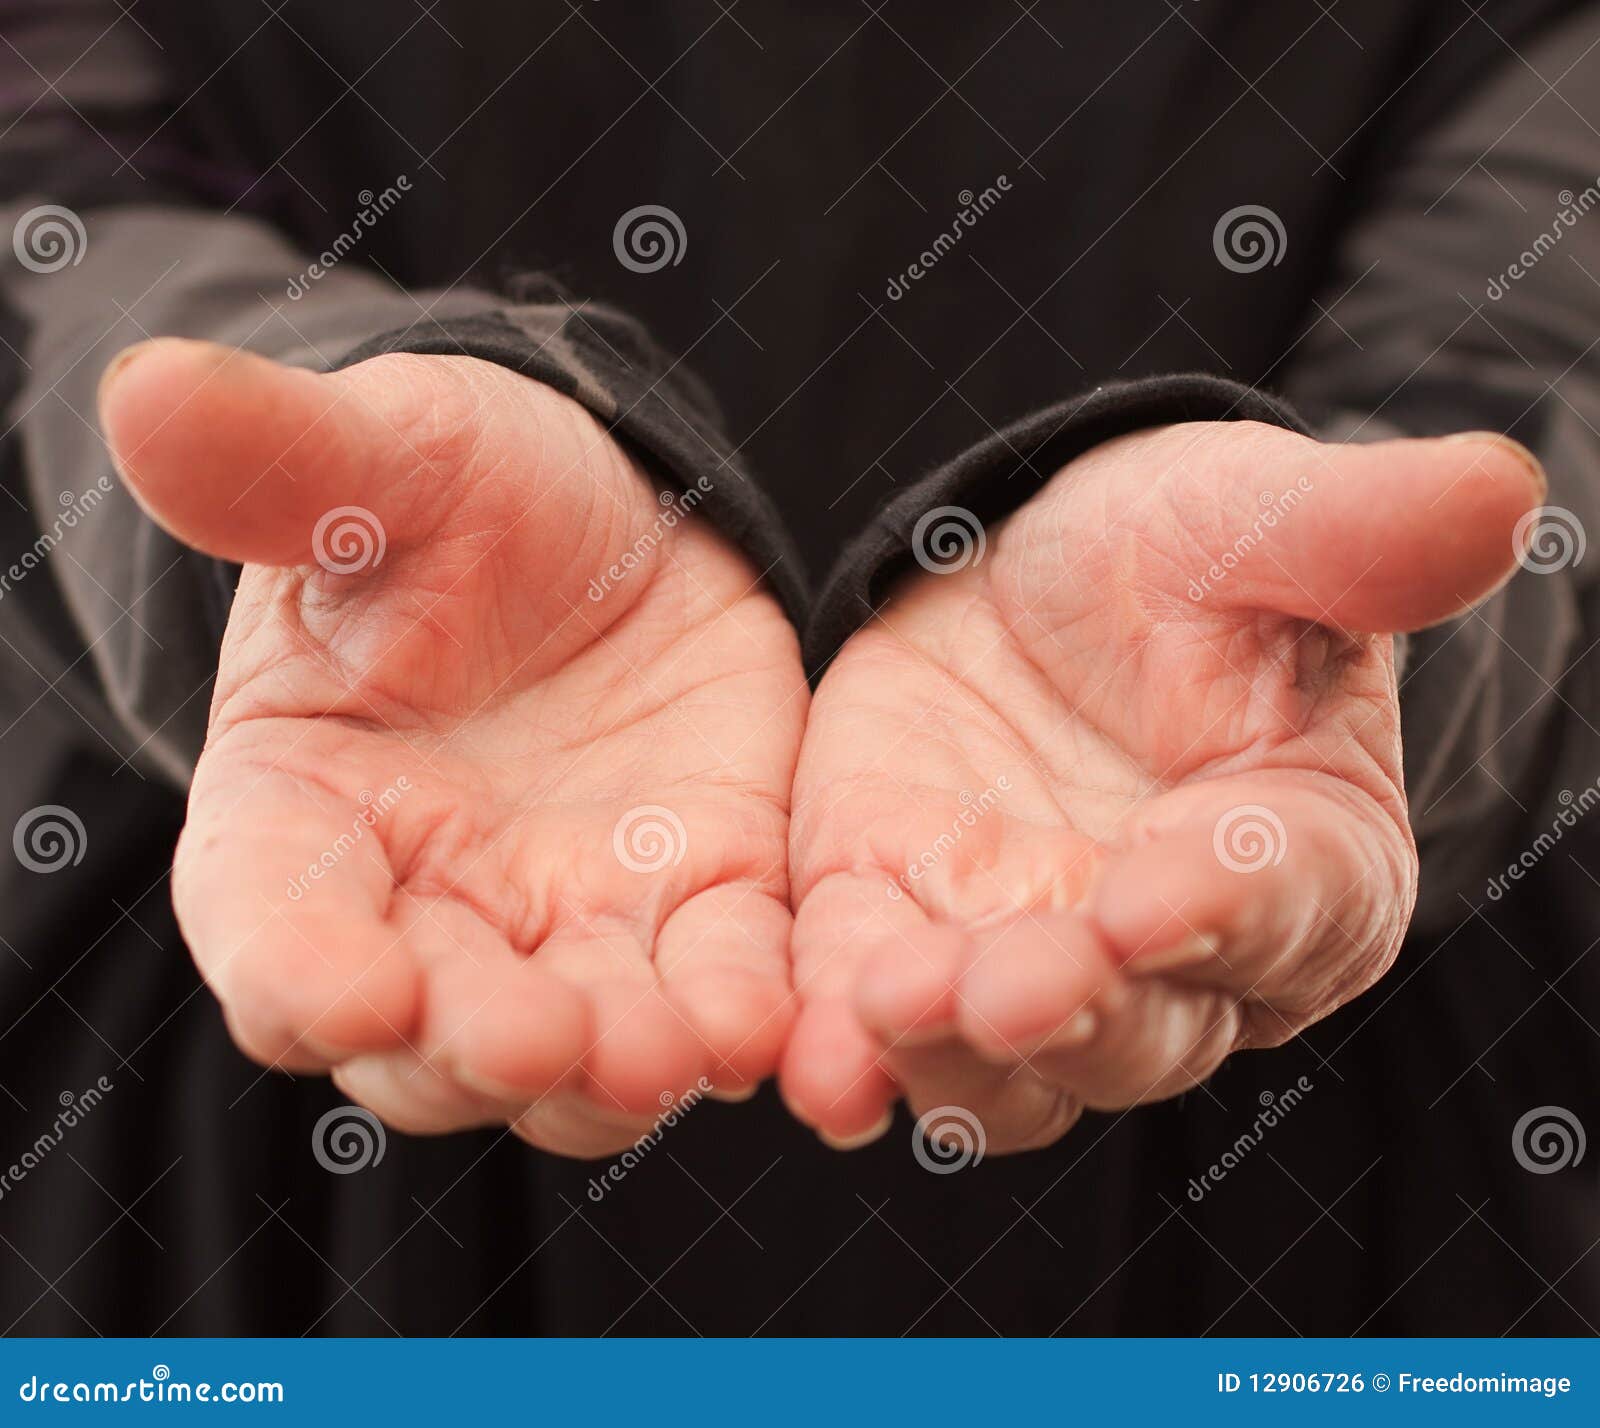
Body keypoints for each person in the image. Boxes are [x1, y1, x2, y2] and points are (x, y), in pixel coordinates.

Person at [1, 0, 1596, 1336]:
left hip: (1337, 1184)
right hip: (275, 1166)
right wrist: (292, 538)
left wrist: (1360, 655)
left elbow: (1549, 238)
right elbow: (49, 169)